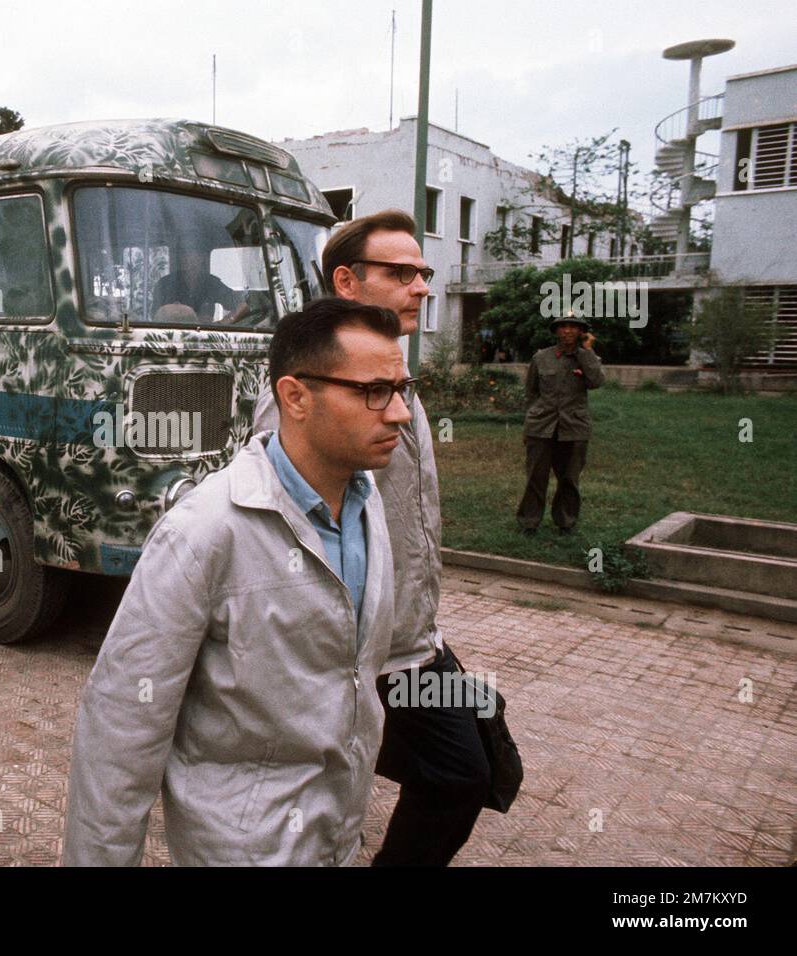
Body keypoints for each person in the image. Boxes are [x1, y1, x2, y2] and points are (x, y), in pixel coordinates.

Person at [64, 297, 409, 866]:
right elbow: (121, 725)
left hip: (338, 840)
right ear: (295, 396)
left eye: (403, 389)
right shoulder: (205, 531)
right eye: (373, 391)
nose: (397, 412)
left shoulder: (366, 505)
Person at [254, 209, 493, 866]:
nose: (421, 286)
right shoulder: (309, 388)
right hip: (357, 646)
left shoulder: (392, 376)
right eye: (400, 272)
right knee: (456, 775)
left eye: (423, 272)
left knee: (474, 764)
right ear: (347, 282)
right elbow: (279, 524)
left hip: (414, 637)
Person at [516, 312, 604, 535]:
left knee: (569, 479)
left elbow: (596, 382)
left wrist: (587, 351)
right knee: (536, 477)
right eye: (563, 326)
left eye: (573, 327)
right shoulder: (541, 358)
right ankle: (529, 522)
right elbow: (531, 393)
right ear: (556, 331)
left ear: (581, 331)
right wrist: (529, 425)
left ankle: (566, 522)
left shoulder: (587, 358)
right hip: (541, 426)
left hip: (574, 427)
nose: (567, 331)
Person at [151, 240, 247, 324]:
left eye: (194, 253)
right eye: (184, 253)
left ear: (202, 257)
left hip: (205, 339)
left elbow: (242, 304)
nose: (188, 258)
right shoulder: (164, 284)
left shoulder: (212, 283)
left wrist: (225, 321)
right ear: (180, 257)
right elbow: (156, 317)